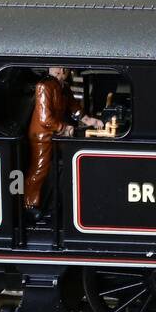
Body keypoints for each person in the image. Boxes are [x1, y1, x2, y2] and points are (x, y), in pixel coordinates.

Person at [24, 67, 102, 215]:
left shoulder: (64, 87)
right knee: (40, 169)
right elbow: (44, 118)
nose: (60, 73)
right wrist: (64, 128)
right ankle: (29, 204)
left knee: (66, 162)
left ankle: (59, 201)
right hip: (42, 136)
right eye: (57, 71)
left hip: (56, 134)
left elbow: (74, 108)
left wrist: (88, 120)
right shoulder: (44, 86)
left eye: (63, 71)